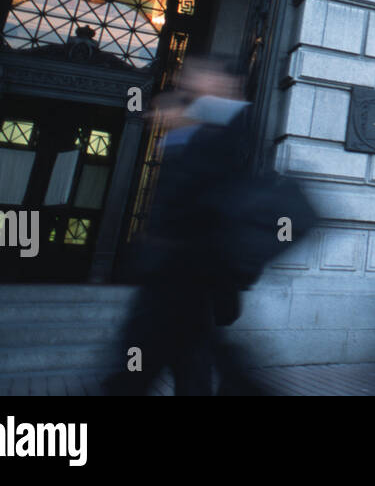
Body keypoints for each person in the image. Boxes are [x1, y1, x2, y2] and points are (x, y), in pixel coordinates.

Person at [104, 56, 263, 395]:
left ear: (225, 84)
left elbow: (201, 201)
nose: (186, 79)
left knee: (140, 368)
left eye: (199, 73)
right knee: (188, 364)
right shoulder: (199, 127)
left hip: (185, 277)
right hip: (183, 282)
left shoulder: (227, 128)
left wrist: (184, 125)